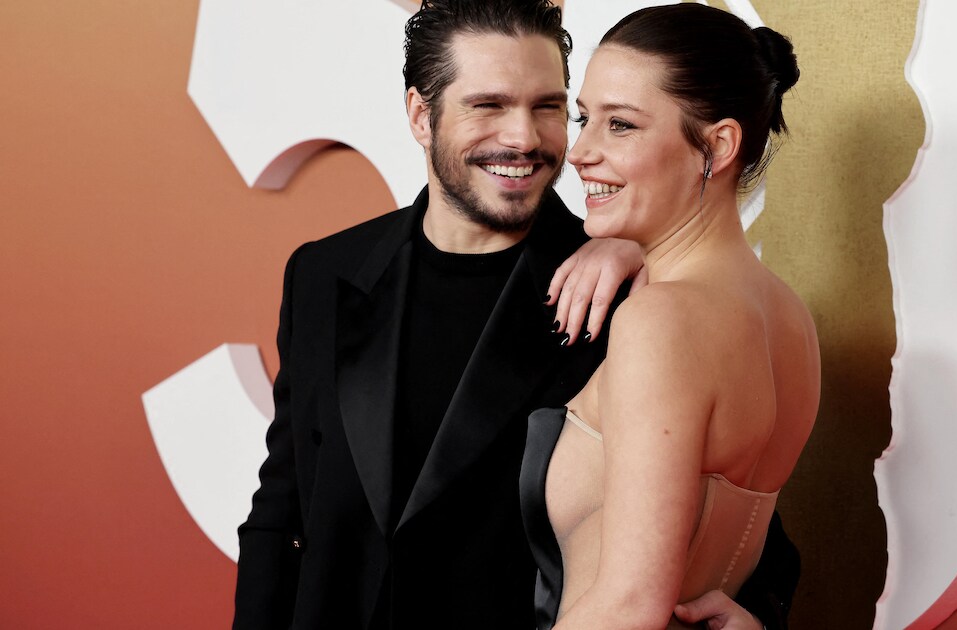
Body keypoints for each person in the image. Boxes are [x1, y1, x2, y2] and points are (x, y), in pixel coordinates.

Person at [232, 1, 799, 629]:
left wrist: (759, 614)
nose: (524, 138)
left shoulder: (628, 293)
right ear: (422, 115)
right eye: (489, 105)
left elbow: (726, 513)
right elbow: (281, 508)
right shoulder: (322, 273)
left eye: (549, 108)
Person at [519, 4, 819, 629]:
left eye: (621, 125)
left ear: (718, 145)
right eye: (584, 119)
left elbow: (631, 605)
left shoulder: (660, 320)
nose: (580, 152)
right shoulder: (790, 320)